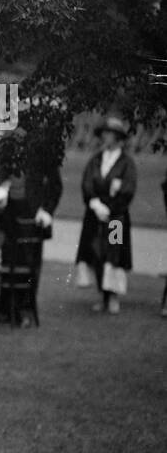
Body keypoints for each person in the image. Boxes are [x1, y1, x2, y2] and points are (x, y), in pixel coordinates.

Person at [76, 115, 137, 315]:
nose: (105, 137)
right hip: (95, 216)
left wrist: (110, 208)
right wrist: (94, 202)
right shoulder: (96, 159)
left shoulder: (126, 162)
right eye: (104, 134)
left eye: (109, 134)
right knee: (96, 252)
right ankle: (102, 295)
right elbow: (87, 183)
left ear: (118, 138)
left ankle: (113, 297)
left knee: (114, 254)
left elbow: (128, 190)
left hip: (116, 219)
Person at [0, 151, 61, 323]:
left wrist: (46, 210)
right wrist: (0, 192)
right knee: (8, 261)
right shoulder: (8, 149)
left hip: (33, 216)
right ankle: (5, 311)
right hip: (10, 214)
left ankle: (26, 312)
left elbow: (55, 185)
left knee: (29, 265)